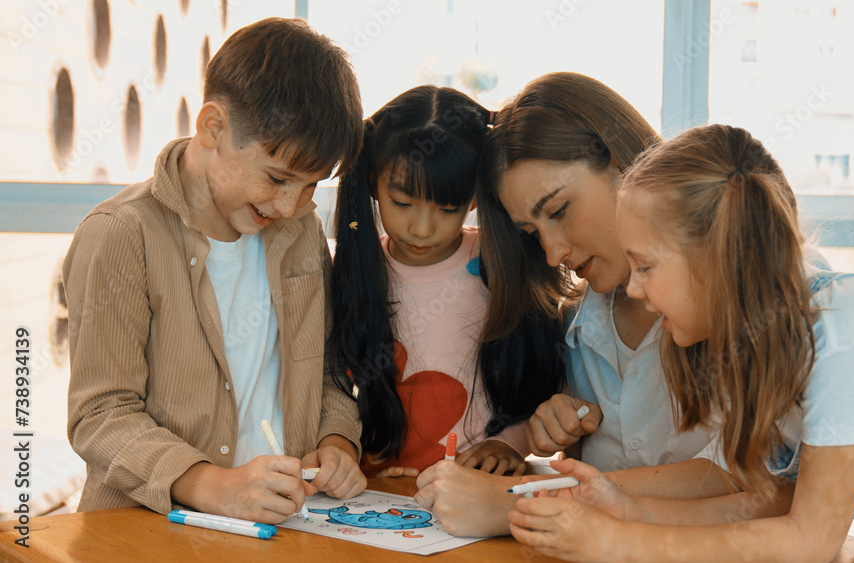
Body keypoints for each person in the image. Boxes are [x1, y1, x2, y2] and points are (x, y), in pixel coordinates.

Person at [508, 124, 854, 563]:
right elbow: (764, 499)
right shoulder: (754, 348)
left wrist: (617, 544)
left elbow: (812, 542)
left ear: (712, 256)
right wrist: (626, 508)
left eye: (646, 266)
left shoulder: (844, 327)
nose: (634, 290)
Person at [64, 18, 367, 525]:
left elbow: (330, 368)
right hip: (144, 534)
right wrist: (210, 484)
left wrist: (336, 441)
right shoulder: (120, 235)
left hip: (286, 527)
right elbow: (99, 416)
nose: (292, 204)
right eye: (278, 178)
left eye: (312, 186)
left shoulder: (299, 233)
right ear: (212, 127)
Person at [415, 72, 714, 537]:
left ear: (622, 165)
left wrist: (520, 502)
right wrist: (552, 438)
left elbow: (759, 480)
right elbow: (595, 473)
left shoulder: (744, 294)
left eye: (558, 211)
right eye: (532, 234)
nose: (554, 254)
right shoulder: (575, 322)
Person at [327, 85, 565, 479]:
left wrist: (508, 444)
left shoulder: (499, 266)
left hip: (476, 488)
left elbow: (541, 376)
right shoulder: (354, 271)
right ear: (372, 183)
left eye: (447, 208)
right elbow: (333, 387)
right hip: (374, 494)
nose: (421, 229)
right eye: (402, 203)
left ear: (474, 197)